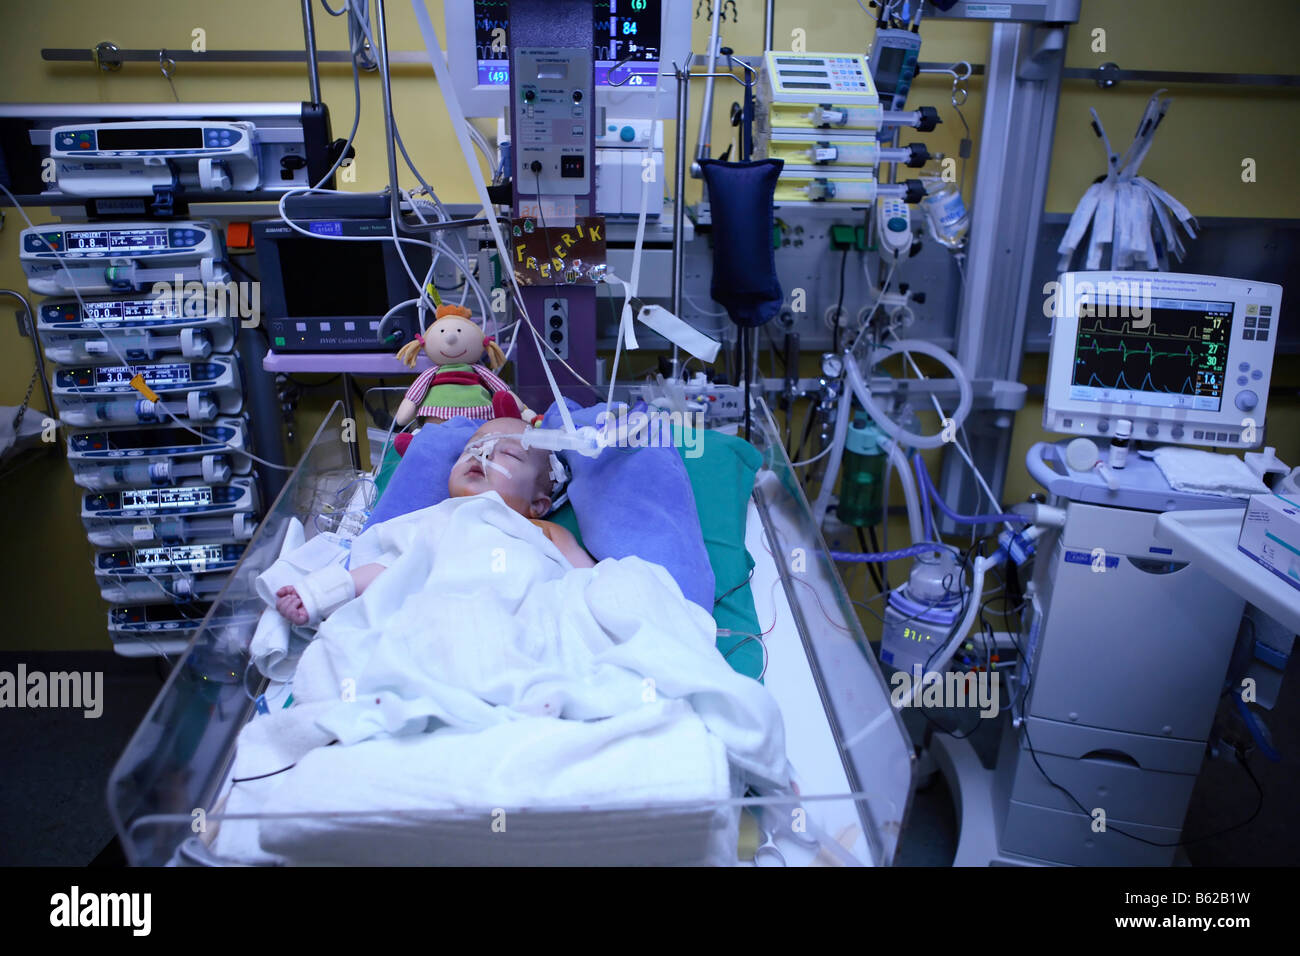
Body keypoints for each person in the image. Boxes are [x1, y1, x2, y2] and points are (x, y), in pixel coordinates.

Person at [275, 417, 593, 625]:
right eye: (473, 447)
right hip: (443, 625)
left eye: (508, 454)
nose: (482, 454)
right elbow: (390, 571)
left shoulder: (546, 532)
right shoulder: (437, 520)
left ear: (538, 504)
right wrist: (320, 593)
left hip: (525, 624)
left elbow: (595, 583)